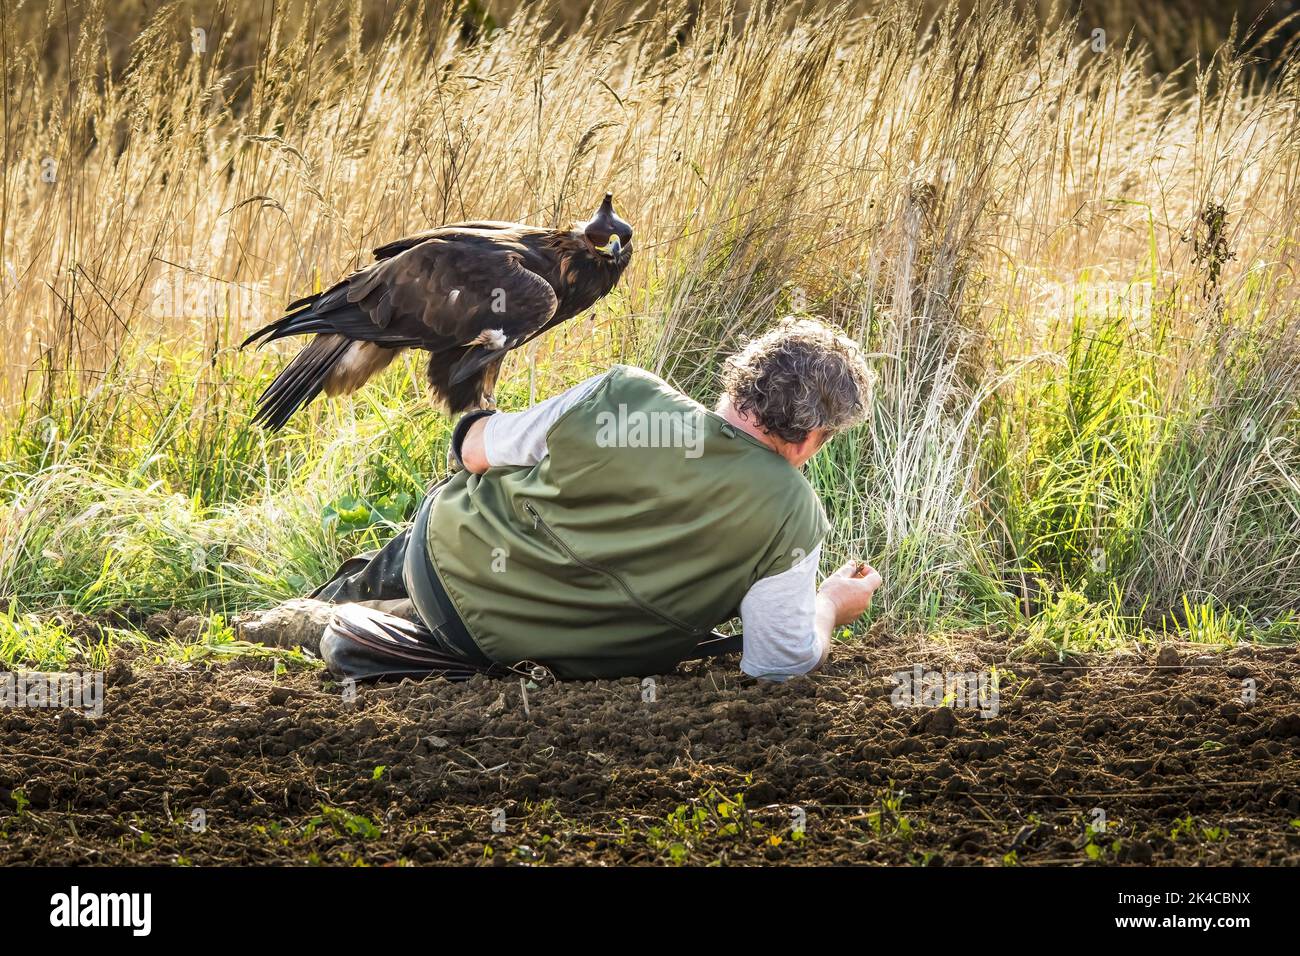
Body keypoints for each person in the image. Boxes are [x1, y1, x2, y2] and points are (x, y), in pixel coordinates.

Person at [307, 316, 882, 682]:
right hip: (538, 653)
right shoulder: (794, 512)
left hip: (442, 561)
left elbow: (479, 451)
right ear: (813, 436)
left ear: (738, 382)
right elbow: (777, 663)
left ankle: (319, 610)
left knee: (425, 539)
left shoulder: (626, 392)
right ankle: (369, 631)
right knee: (453, 618)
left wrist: (471, 433)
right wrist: (830, 602)